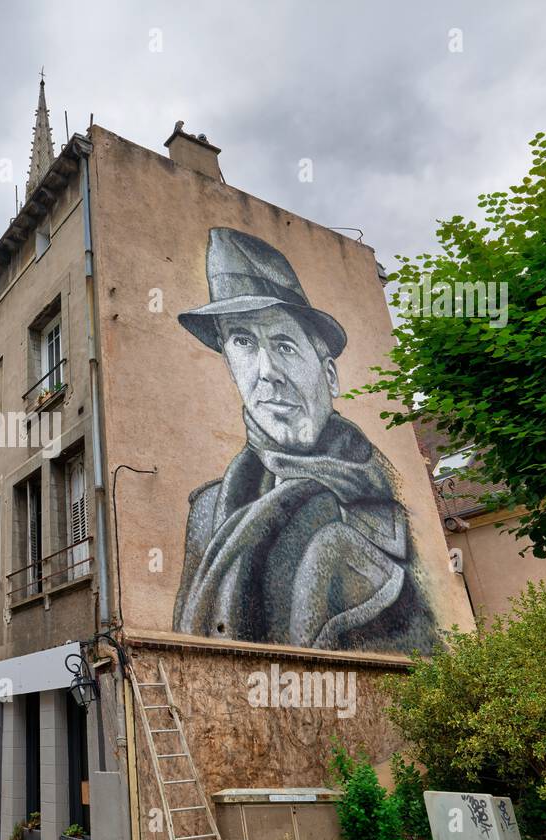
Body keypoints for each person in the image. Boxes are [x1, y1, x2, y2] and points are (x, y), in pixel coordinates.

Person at [173, 227, 437, 654]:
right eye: (243, 342)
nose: (266, 372)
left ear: (329, 375)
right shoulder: (209, 510)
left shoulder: (380, 500)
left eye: (284, 345)